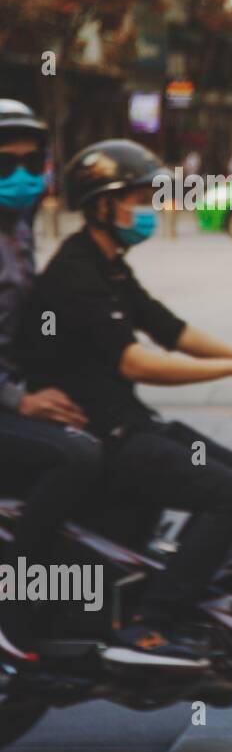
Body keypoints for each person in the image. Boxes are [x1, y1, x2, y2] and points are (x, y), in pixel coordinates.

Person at [22, 139, 232, 667]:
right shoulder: (75, 273)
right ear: (102, 206)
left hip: (131, 426)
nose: (147, 209)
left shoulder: (112, 267)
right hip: (105, 437)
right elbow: (138, 363)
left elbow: (171, 331)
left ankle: (197, 606)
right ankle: (155, 624)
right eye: (136, 199)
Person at [0, 101, 103, 665]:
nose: (19, 175)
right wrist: (23, 400)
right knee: (74, 458)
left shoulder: (19, 229)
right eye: (3, 163)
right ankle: (14, 610)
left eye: (29, 161)